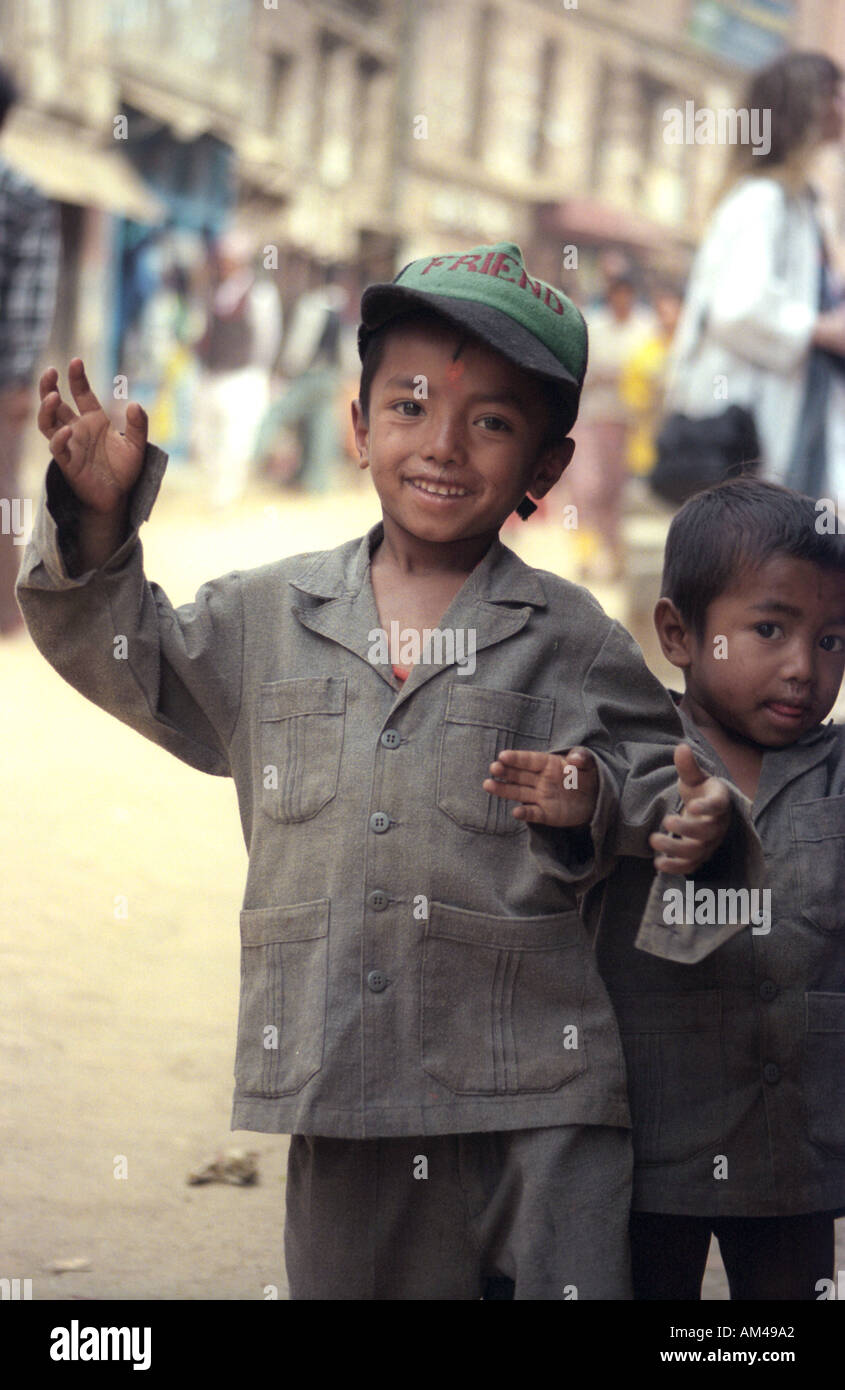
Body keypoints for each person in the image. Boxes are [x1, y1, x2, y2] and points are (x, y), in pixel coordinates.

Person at [16, 242, 759, 1300]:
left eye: (491, 422)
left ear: (544, 468)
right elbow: (128, 656)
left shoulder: (573, 637)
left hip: (539, 1095)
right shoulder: (264, 615)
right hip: (345, 1081)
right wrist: (94, 521)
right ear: (358, 424)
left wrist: (621, 804)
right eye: (408, 406)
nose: (442, 444)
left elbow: (672, 788)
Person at [586, 479, 843, 1300]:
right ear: (677, 633)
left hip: (794, 1151)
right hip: (650, 1143)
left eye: (834, 639)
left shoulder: (836, 772)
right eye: (767, 629)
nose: (804, 668)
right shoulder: (629, 751)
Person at [665, 51, 845, 502]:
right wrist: (823, 330)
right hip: (749, 423)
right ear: (806, 106)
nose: (842, 106)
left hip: (787, 416)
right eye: (833, 94)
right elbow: (738, 308)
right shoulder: (762, 201)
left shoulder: (803, 204)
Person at [0, 62, 60, 635]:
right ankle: (2, 613)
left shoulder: (20, 197)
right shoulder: (24, 196)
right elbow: (31, 298)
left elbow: (28, 298)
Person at [566, 271, 655, 582]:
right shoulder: (593, 325)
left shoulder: (646, 327)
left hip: (627, 424)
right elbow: (578, 367)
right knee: (586, 488)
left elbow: (651, 372)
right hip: (590, 418)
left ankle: (615, 555)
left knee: (615, 493)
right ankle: (585, 556)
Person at [192, 229, 282, 508]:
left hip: (244, 377)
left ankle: (225, 497)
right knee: (202, 436)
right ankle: (216, 489)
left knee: (236, 440)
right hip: (212, 375)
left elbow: (268, 336)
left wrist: (263, 374)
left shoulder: (260, 292)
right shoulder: (212, 290)